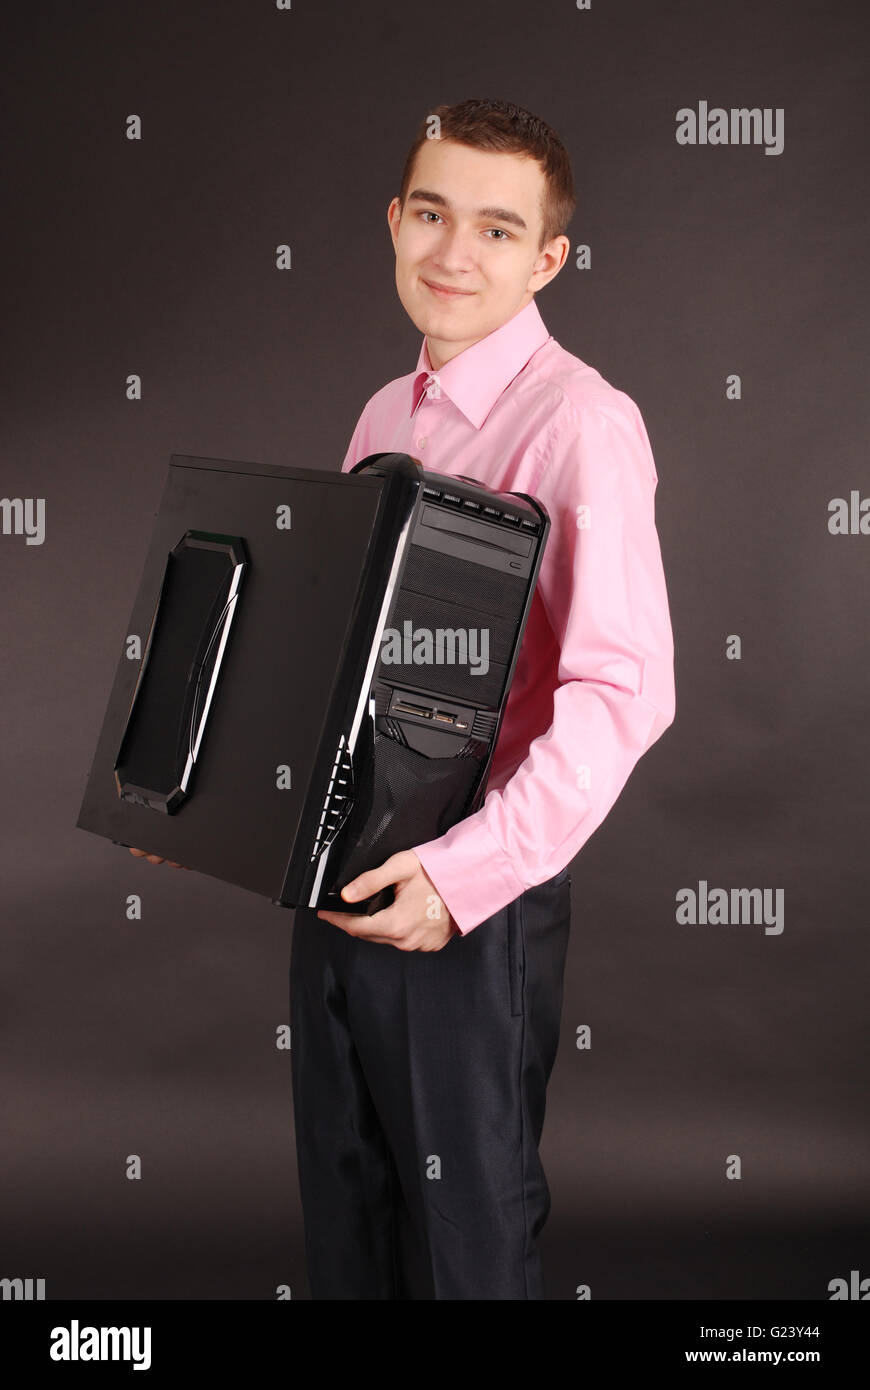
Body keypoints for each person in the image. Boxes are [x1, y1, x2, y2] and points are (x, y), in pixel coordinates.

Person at [132, 97, 676, 1300]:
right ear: (393, 221)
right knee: (350, 1202)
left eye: (495, 228)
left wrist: (463, 877)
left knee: (465, 1227)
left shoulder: (586, 423)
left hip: (471, 901)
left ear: (547, 258)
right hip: (339, 877)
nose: (452, 254)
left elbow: (621, 691)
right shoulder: (388, 412)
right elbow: (333, 659)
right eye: (431, 214)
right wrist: (208, 797)